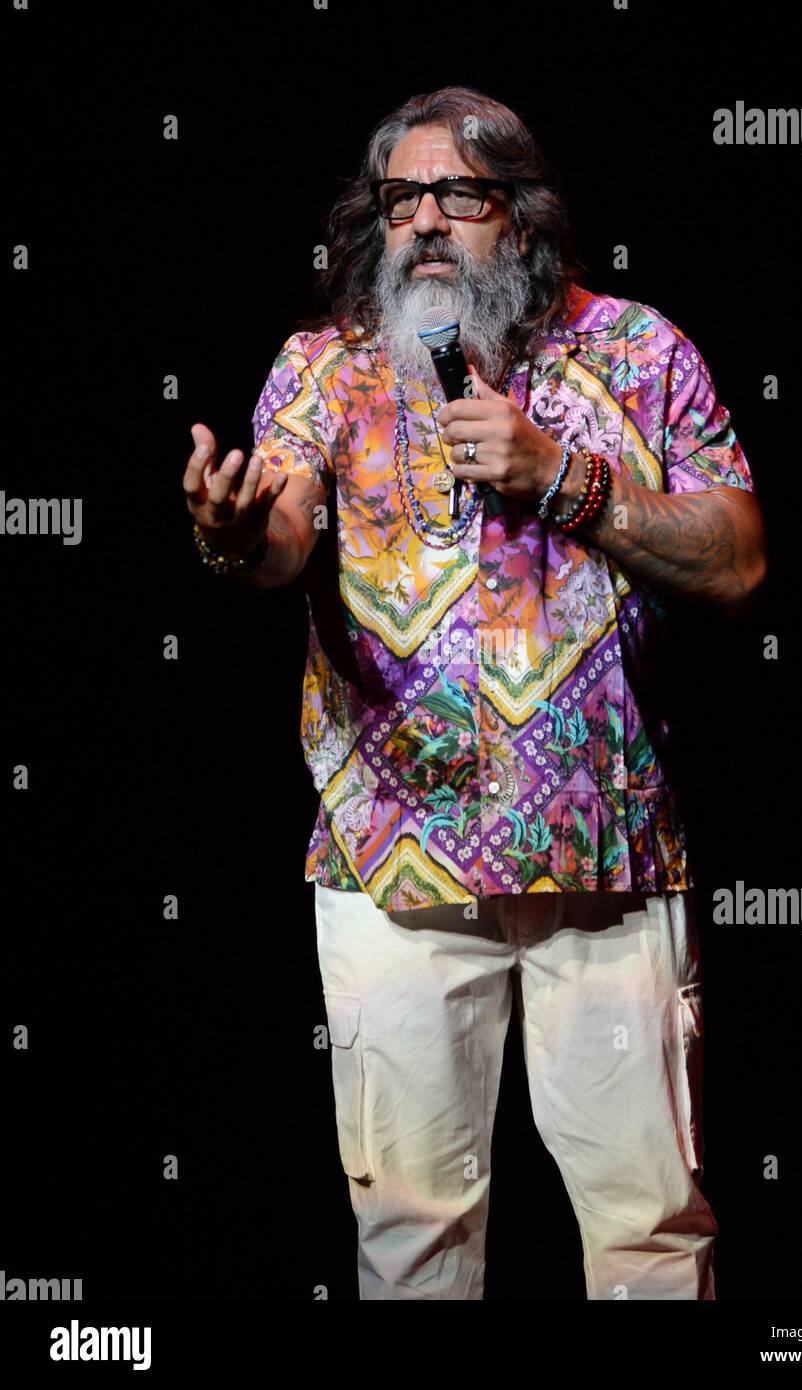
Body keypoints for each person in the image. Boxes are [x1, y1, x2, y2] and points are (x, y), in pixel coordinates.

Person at [182, 86, 767, 1301]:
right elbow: (282, 530)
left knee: (651, 1230)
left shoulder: (638, 352)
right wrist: (235, 539)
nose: (429, 223)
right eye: (404, 199)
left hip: (602, 858)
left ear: (525, 213)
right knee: (411, 1238)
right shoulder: (324, 367)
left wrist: (564, 476)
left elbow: (740, 557)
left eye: (463, 194)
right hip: (392, 862)